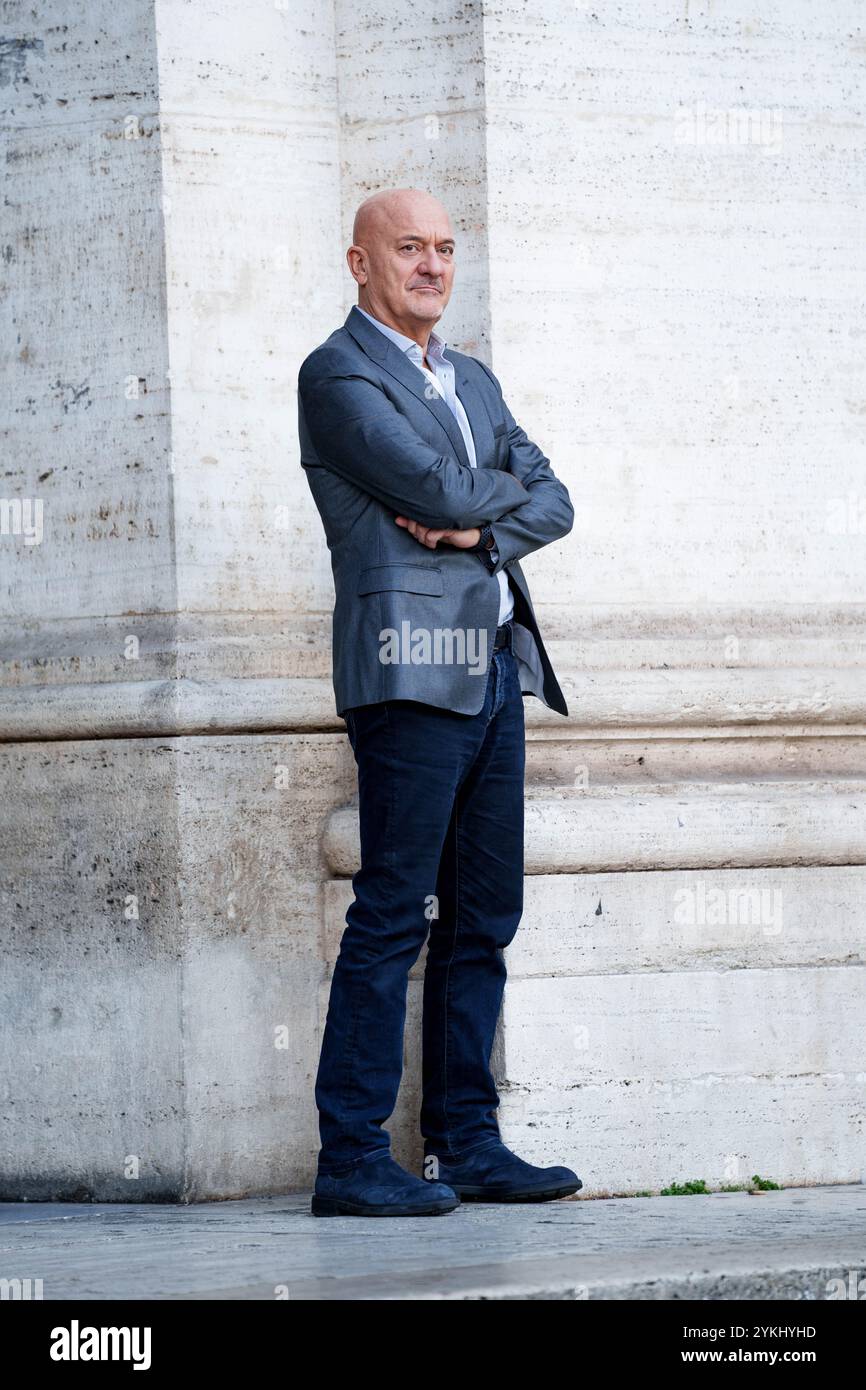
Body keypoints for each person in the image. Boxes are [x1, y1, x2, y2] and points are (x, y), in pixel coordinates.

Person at [298, 186, 581, 1217]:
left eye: (444, 249)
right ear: (359, 263)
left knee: (481, 917)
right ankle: (349, 1159)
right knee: (391, 914)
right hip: (410, 670)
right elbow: (440, 487)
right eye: (407, 247)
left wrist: (475, 531)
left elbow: (552, 498)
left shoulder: (471, 378)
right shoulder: (336, 373)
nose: (430, 265)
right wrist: (474, 505)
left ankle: (464, 1141)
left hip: (495, 666)